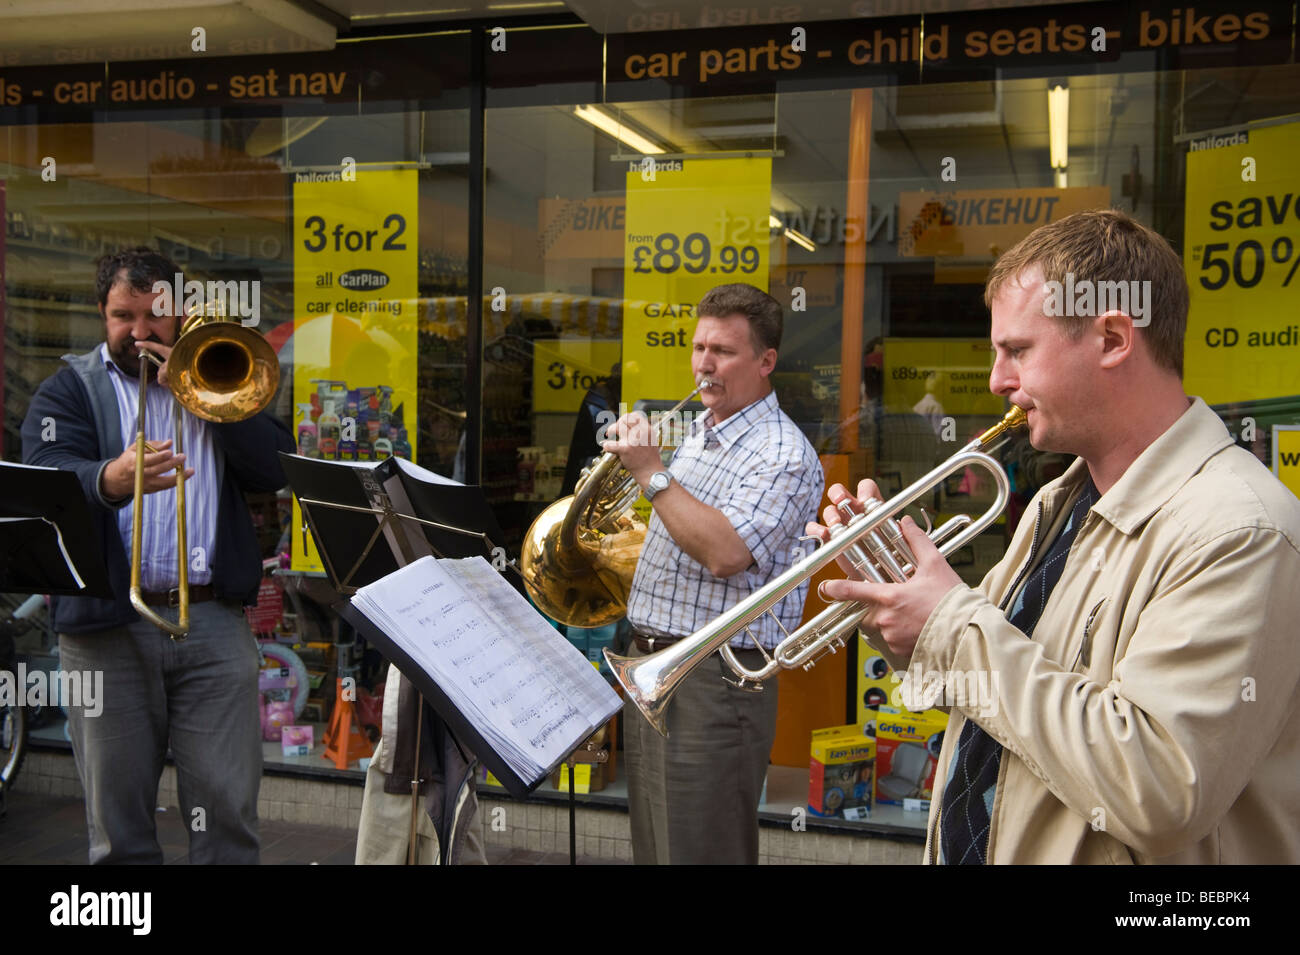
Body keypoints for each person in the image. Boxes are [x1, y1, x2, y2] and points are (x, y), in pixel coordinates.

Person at [815, 209, 1300, 863]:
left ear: (1112, 338)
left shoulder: (1240, 529)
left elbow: (1159, 789)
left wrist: (950, 622)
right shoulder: (1060, 497)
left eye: (1017, 350)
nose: (997, 381)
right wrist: (896, 597)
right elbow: (981, 684)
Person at [21, 248, 294, 864]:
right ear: (101, 313)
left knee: (228, 812)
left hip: (213, 623)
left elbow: (274, 467)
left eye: (154, 317)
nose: (139, 333)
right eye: (123, 316)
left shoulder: (217, 375)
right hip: (105, 631)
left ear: (181, 316)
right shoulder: (67, 389)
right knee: (118, 828)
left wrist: (207, 401)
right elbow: (45, 474)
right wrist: (107, 480)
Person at [602, 283, 824, 864]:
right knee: (658, 846)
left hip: (715, 680)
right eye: (699, 347)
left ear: (765, 361)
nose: (704, 363)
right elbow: (678, 530)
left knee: (702, 849)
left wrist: (652, 474)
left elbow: (727, 552)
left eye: (723, 351)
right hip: (654, 665)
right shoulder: (702, 432)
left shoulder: (784, 453)